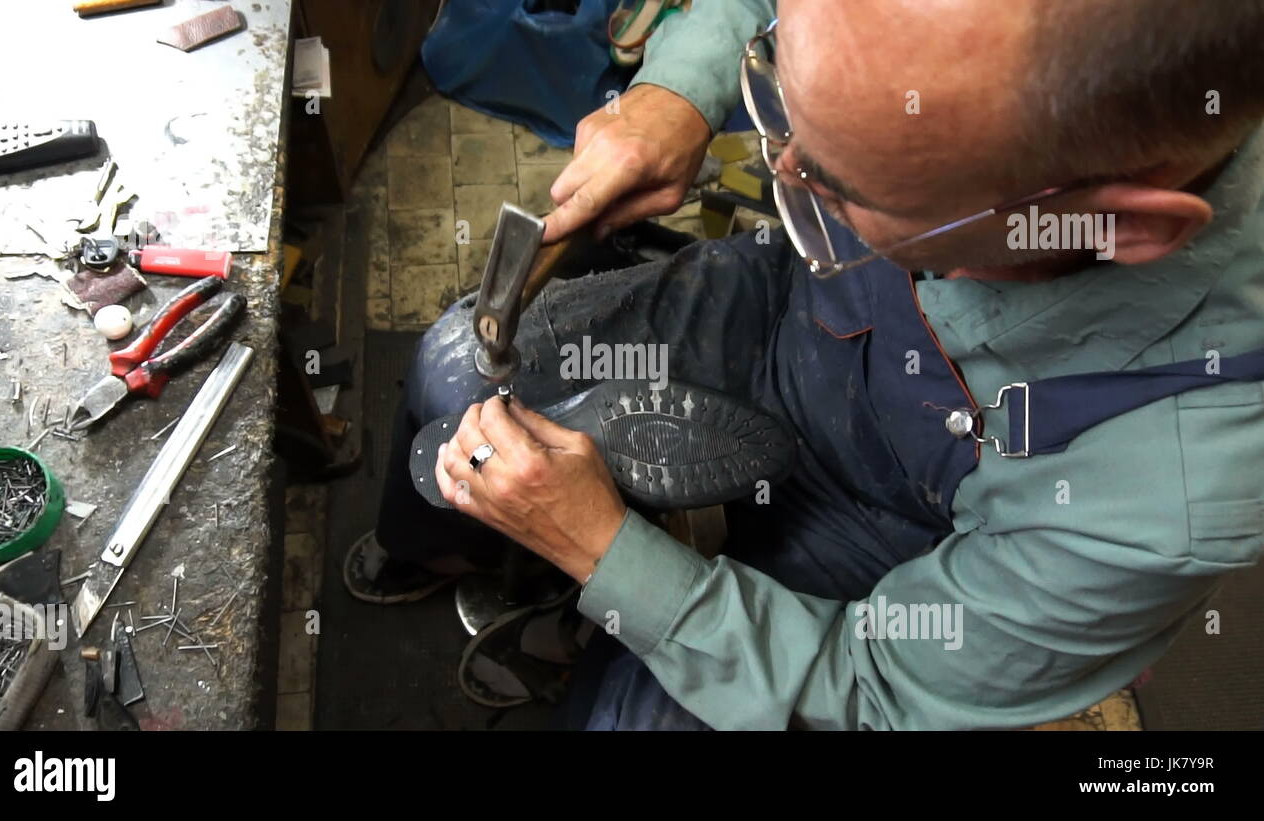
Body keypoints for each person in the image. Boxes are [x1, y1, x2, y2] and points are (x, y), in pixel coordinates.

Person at [350, 0, 1264, 730]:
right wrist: (682, 89)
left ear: (1114, 224)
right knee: (456, 370)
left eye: (848, 184)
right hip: (789, 315)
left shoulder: (1172, 487)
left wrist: (611, 559)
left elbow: (872, 687)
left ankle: (589, 619)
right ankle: (456, 553)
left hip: (894, 535)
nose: (780, 167)